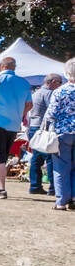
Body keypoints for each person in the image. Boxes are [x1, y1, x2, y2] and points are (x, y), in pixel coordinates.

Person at [0, 56, 33, 199]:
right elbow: (29, 105)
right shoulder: (24, 83)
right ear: (14, 68)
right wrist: (19, 114)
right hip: (13, 125)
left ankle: (0, 190)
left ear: (0, 67)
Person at [44, 58, 75, 210]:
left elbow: (51, 114)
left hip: (63, 133)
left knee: (61, 167)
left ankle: (62, 201)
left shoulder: (59, 91)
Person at [28, 73, 62, 195]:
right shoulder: (49, 93)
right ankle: (53, 188)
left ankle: (35, 186)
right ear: (53, 82)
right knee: (50, 158)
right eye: (59, 82)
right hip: (44, 128)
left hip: (33, 126)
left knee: (36, 158)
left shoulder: (35, 93)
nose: (60, 85)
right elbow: (52, 111)